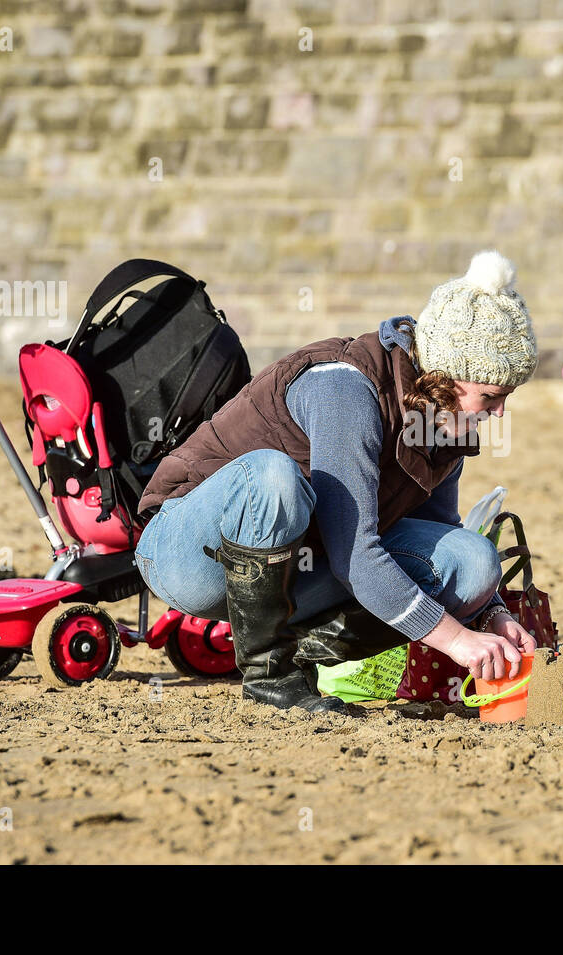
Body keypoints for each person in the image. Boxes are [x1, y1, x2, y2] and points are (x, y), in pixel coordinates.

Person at [134, 250, 539, 712]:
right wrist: (458, 642)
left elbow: (434, 539)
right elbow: (357, 557)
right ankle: (271, 680)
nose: (500, 412)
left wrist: (489, 612)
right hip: (187, 556)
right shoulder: (344, 389)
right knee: (275, 476)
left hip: (301, 568)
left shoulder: (443, 424)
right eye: (491, 396)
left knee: (471, 562)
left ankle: (292, 653)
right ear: (446, 376)